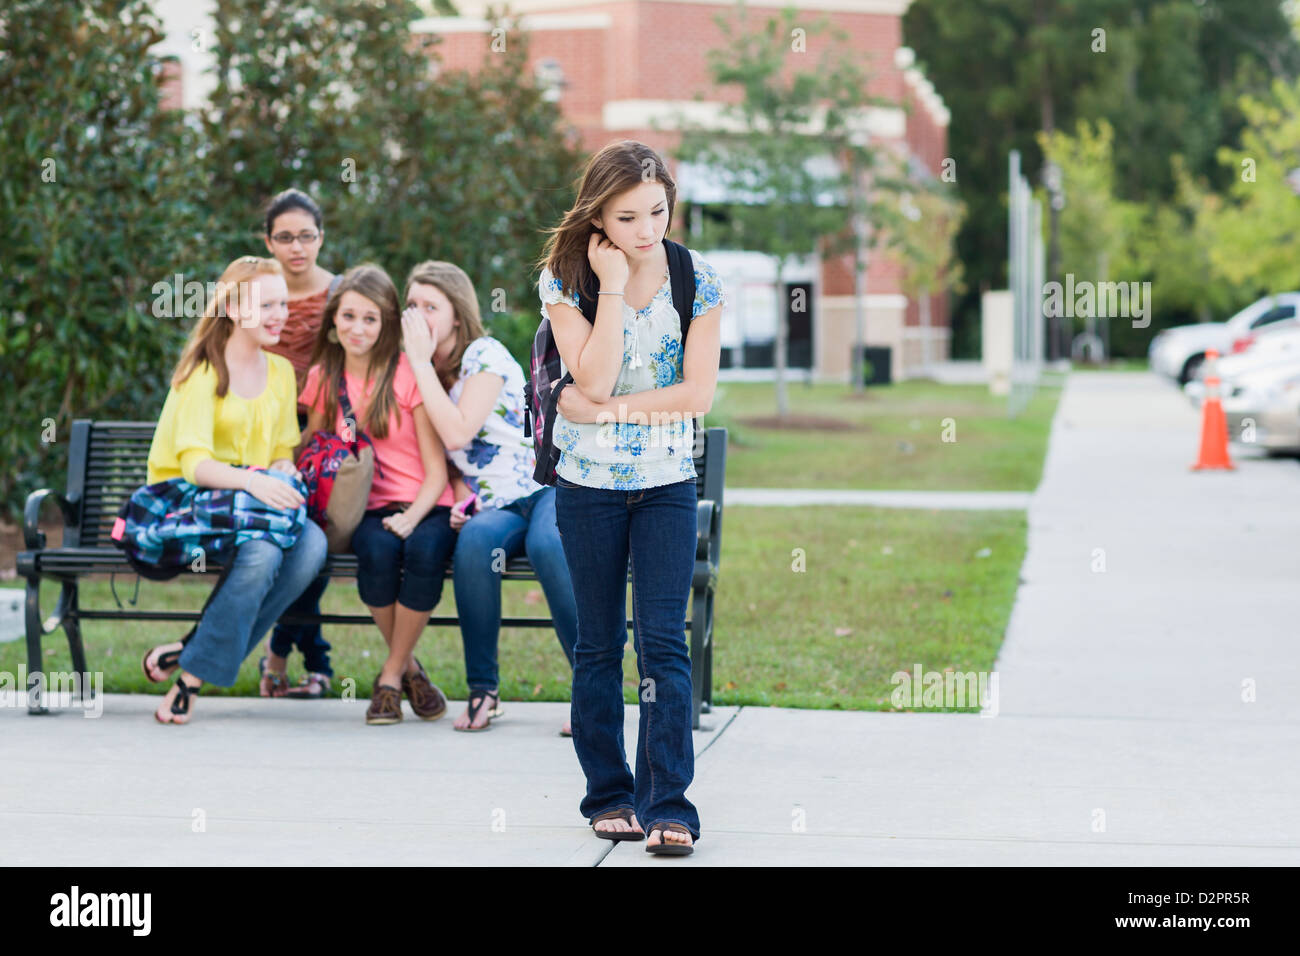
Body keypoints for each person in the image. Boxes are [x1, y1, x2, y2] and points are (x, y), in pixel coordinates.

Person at [536, 140, 724, 854]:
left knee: (661, 646)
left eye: (658, 210)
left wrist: (607, 413)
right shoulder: (565, 279)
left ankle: (670, 804)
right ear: (598, 220)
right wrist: (610, 287)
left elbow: (696, 395)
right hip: (588, 490)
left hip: (667, 485)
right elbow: (594, 375)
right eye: (630, 217)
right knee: (597, 645)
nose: (649, 230)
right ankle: (609, 795)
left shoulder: (694, 278)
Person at [141, 256, 328, 724]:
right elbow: (194, 465)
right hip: (187, 508)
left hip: (251, 505)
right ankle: (190, 681)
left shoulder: (281, 372)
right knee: (263, 553)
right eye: (265, 305)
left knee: (313, 545)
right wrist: (256, 480)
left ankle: (189, 650)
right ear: (232, 309)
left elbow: (284, 448)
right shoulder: (203, 371)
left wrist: (283, 471)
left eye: (282, 304)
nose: (279, 315)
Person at [400, 260, 579, 734]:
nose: (419, 316)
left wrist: (418, 363)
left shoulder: (485, 354)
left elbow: (458, 433)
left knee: (547, 545)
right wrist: (462, 499)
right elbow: (452, 462)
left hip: (547, 487)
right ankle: (484, 691)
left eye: (431, 306)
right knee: (476, 544)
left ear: (457, 314)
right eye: (412, 305)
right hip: (497, 507)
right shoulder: (424, 375)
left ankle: (591, 690)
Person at [299, 263, 457, 726]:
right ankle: (411, 670)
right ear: (333, 321)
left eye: (370, 318)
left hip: (426, 500)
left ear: (386, 323)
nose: (358, 328)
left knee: (426, 552)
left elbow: (435, 472)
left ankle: (389, 677)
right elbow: (312, 442)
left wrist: (412, 517)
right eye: (348, 317)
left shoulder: (407, 374)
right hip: (365, 505)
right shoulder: (325, 378)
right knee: (376, 552)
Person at [260, 188, 337, 698]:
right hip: (264, 439)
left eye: (306, 236)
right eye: (284, 237)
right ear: (268, 242)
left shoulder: (339, 293)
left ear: (320, 238)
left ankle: (281, 656)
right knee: (292, 540)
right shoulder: (257, 293)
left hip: (325, 437)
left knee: (311, 540)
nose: (296, 247)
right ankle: (312, 660)